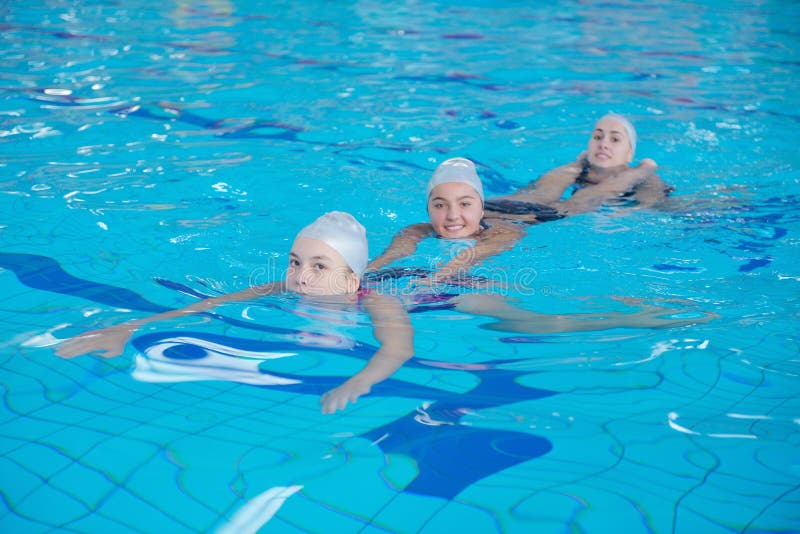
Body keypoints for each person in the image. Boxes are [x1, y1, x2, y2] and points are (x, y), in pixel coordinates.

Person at [56, 212, 415, 414]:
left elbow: (398, 349)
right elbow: (209, 304)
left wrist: (359, 381)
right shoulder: (282, 287)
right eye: (294, 262)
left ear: (351, 280)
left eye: (319, 266)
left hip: (424, 291)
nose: (301, 276)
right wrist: (132, 326)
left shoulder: (379, 303)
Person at [367, 157, 526, 284]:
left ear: (481, 210)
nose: (452, 215)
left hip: (526, 211)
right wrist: (366, 272)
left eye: (465, 204)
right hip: (487, 206)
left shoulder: (504, 232)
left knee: (541, 193)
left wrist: (437, 277)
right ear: (428, 210)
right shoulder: (417, 230)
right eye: (440, 205)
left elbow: (473, 254)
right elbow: (396, 252)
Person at [484, 113, 669, 221]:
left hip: (583, 209)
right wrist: (578, 164)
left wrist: (644, 171)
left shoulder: (643, 177)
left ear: (629, 154)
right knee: (543, 196)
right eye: (597, 137)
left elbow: (651, 205)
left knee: (575, 203)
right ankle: (481, 206)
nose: (604, 144)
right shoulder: (573, 171)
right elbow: (538, 196)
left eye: (615, 139)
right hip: (558, 208)